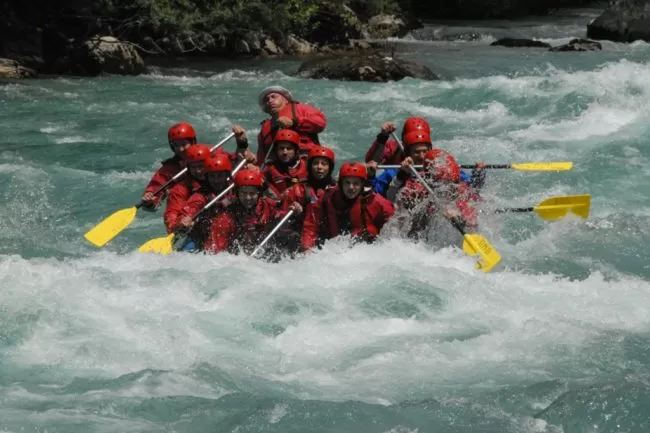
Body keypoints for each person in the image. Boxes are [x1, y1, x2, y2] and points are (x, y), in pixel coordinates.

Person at [300, 162, 395, 251]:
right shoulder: (325, 199)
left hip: (366, 249)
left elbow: (393, 227)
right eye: (347, 183)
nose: (351, 188)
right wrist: (307, 248)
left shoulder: (377, 202)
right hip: (333, 248)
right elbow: (310, 226)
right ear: (340, 184)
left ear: (363, 184)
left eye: (356, 183)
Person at [204, 169, 287, 257]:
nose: (248, 198)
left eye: (252, 193)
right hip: (236, 256)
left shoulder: (267, 206)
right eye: (243, 193)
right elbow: (215, 252)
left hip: (262, 251)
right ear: (237, 193)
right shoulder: (226, 217)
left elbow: (282, 213)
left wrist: (296, 211)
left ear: (259, 193)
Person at [276, 146, 337, 255]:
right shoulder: (298, 189)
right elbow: (281, 217)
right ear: (309, 167)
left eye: (324, 164)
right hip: (302, 239)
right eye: (316, 163)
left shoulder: (336, 190)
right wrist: (296, 214)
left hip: (330, 239)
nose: (319, 167)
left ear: (330, 168)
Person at [174, 153, 237, 251]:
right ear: (207, 177)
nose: (216, 180)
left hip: (229, 237)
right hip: (203, 240)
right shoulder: (201, 195)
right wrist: (185, 219)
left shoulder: (235, 189)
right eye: (212, 176)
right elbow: (192, 207)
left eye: (219, 176)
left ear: (227, 175)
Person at [257, 85, 327, 164]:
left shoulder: (300, 108)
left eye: (274, 97)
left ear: (285, 100)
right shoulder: (265, 128)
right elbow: (261, 157)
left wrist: (294, 122)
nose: (270, 101)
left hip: (307, 162)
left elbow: (320, 123)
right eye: (267, 99)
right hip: (279, 170)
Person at [141, 122, 197, 210]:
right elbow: (156, 187)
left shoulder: (211, 155)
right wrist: (149, 199)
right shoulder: (168, 169)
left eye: (184, 144)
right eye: (176, 145)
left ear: (193, 142)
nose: (180, 149)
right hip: (187, 209)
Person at [163, 143, 210, 234]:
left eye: (201, 166)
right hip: (198, 229)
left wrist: (241, 144)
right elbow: (171, 215)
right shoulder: (180, 189)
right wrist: (179, 224)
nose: (198, 171)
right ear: (188, 168)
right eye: (194, 167)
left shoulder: (220, 178)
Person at [263, 129, 309, 195]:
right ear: (276, 150)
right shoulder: (269, 169)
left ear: (296, 150)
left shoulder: (307, 166)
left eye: (289, 149)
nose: (285, 152)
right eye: (281, 148)